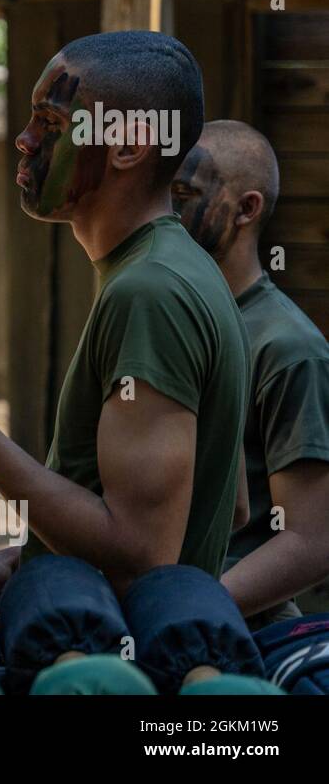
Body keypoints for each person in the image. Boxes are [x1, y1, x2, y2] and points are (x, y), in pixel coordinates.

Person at [0, 31, 249, 597]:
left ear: (127, 146)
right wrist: (21, 560)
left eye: (51, 125)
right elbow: (233, 506)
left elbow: (143, 553)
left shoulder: (151, 292)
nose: (23, 141)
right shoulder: (172, 270)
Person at [172, 120, 329, 627]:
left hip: (237, 639)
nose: (163, 211)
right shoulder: (169, 318)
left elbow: (312, 540)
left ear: (247, 209)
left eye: (184, 193)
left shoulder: (289, 347)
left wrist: (189, 611)